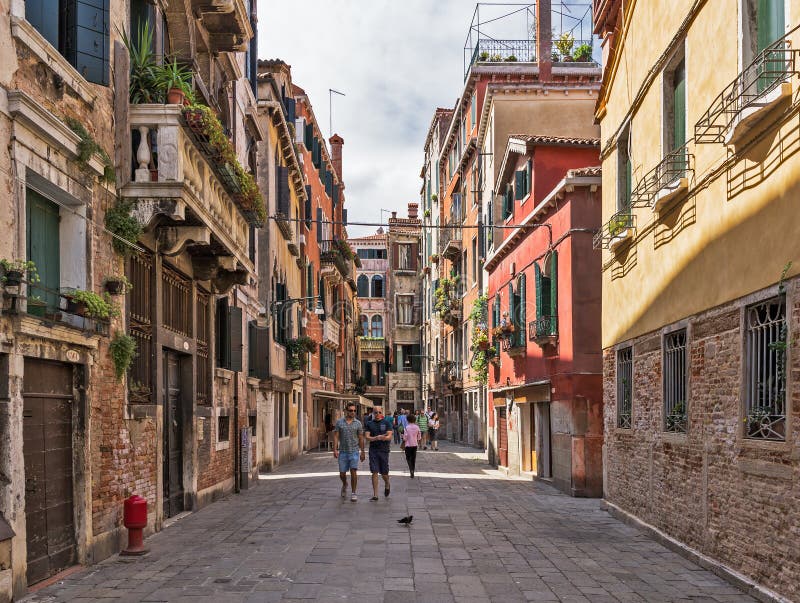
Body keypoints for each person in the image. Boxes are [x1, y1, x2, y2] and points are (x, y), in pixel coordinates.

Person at [332, 403, 365, 502]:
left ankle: (354, 493)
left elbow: (361, 438)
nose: (353, 412)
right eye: (351, 410)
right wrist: (335, 449)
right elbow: (336, 436)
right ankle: (345, 483)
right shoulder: (339, 422)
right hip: (343, 451)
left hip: (354, 451)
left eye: (354, 411)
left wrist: (363, 452)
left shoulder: (358, 423)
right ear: (346, 411)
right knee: (342, 473)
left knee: (353, 471)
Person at [364, 405, 393, 501]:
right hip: (373, 450)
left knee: (384, 473)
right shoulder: (369, 423)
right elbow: (367, 437)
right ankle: (375, 495)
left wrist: (384, 438)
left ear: (382, 412)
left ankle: (387, 483)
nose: (378, 414)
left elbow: (389, 436)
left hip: (384, 450)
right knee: (374, 471)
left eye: (379, 412)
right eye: (375, 412)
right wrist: (375, 438)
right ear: (373, 413)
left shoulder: (387, 422)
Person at [401, 413, 422, 478]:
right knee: (413, 458)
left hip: (408, 445)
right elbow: (419, 436)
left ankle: (411, 469)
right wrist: (417, 439)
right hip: (415, 444)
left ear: (408, 420)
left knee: (408, 458)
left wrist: (402, 436)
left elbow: (405, 437)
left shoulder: (406, 427)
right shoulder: (417, 427)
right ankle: (413, 469)